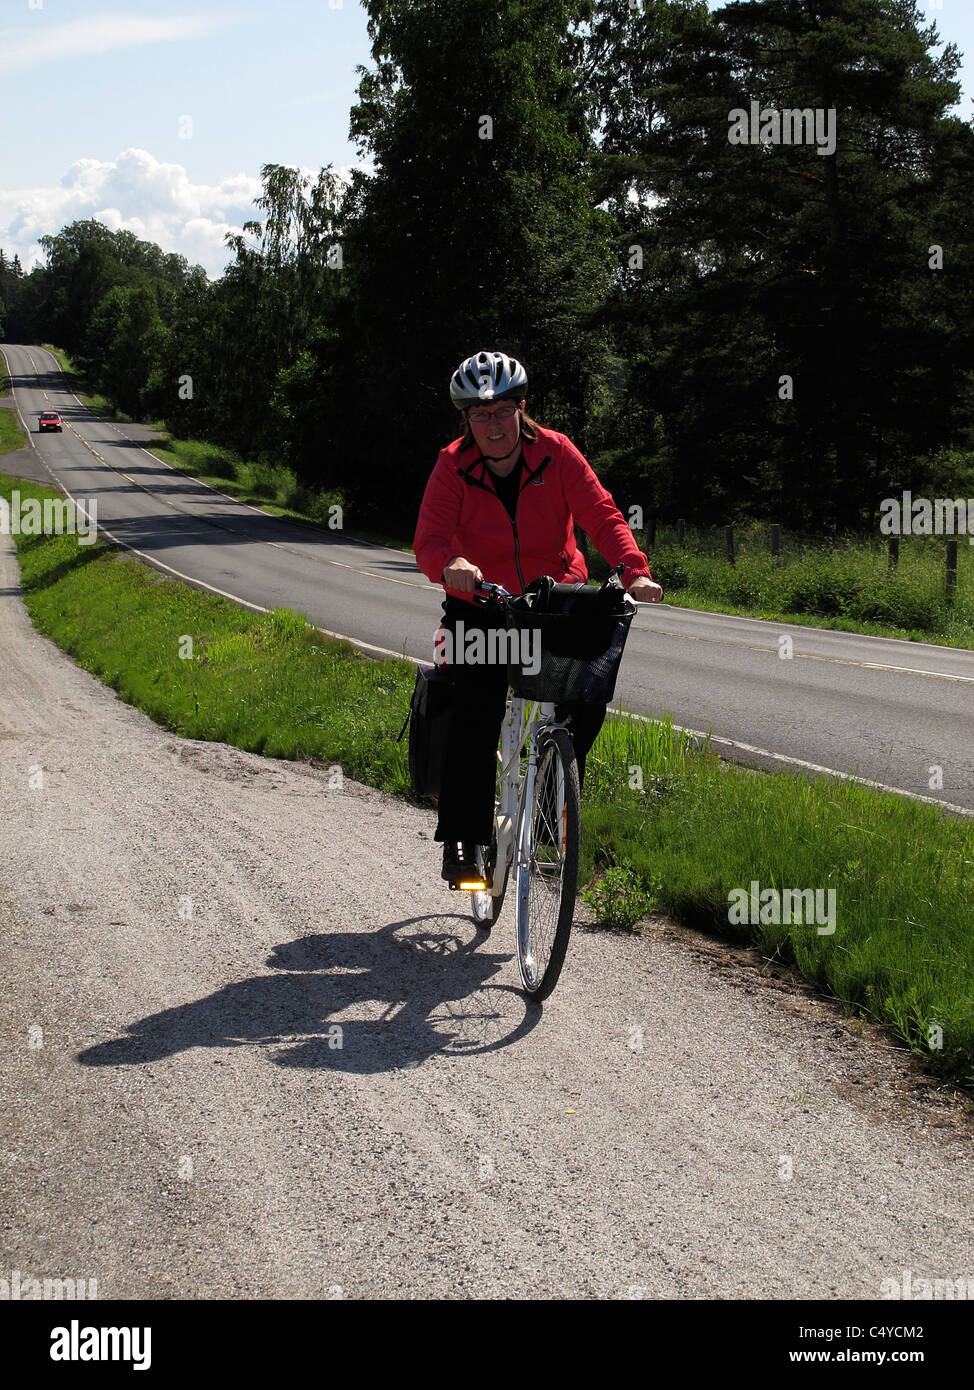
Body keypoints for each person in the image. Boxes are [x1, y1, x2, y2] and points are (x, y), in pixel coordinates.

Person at [413, 349, 663, 887]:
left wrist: (633, 570)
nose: (494, 425)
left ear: (522, 409)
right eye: (480, 415)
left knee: (589, 688)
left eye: (503, 411)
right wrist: (450, 564)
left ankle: (550, 798)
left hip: (552, 599)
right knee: (474, 705)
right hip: (481, 602)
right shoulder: (452, 465)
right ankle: (464, 838)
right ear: (466, 420)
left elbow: (602, 513)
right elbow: (429, 540)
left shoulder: (556, 453)